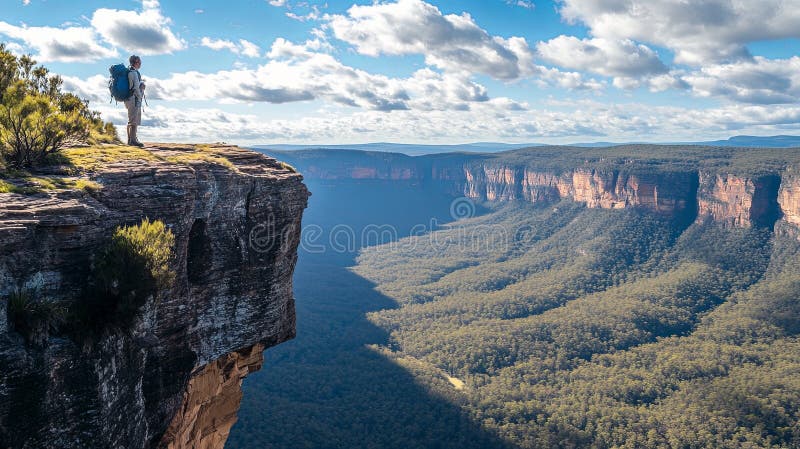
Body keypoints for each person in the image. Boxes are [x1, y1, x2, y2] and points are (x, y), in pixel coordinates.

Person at [125, 55, 146, 147]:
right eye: (139, 62)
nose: (140, 64)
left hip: (129, 98)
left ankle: (131, 140)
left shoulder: (130, 72)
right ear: (135, 63)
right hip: (133, 98)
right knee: (134, 120)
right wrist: (141, 93)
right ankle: (133, 140)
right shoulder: (133, 73)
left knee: (132, 119)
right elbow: (136, 88)